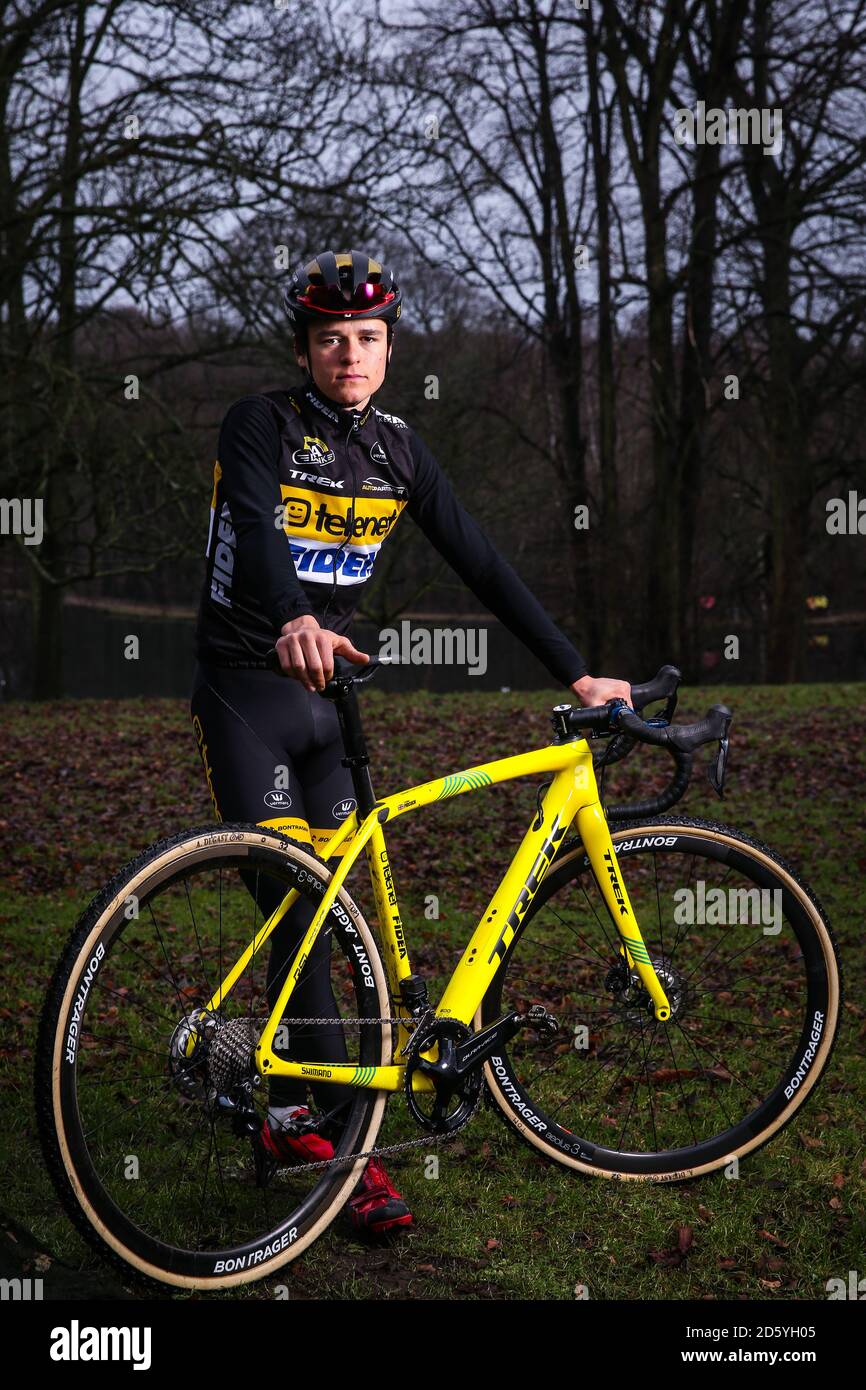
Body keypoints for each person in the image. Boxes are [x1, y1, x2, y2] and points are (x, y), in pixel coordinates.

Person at [189, 248, 632, 1235]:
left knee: (336, 916)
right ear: (306, 348)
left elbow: (481, 561)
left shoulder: (396, 448)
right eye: (331, 337)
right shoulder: (259, 422)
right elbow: (258, 533)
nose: (350, 352)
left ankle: (297, 1106)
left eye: (368, 338)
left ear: (388, 349)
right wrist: (293, 614)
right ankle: (325, 1135)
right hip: (248, 688)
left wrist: (574, 670)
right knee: (301, 902)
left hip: (330, 704)